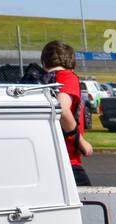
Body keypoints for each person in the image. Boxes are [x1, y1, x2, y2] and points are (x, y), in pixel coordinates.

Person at [36, 41, 93, 186]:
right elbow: (61, 107)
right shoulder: (67, 77)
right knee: (90, 203)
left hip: (41, 158)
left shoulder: (37, 81)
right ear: (72, 62)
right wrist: (81, 142)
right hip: (67, 159)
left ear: (44, 61)